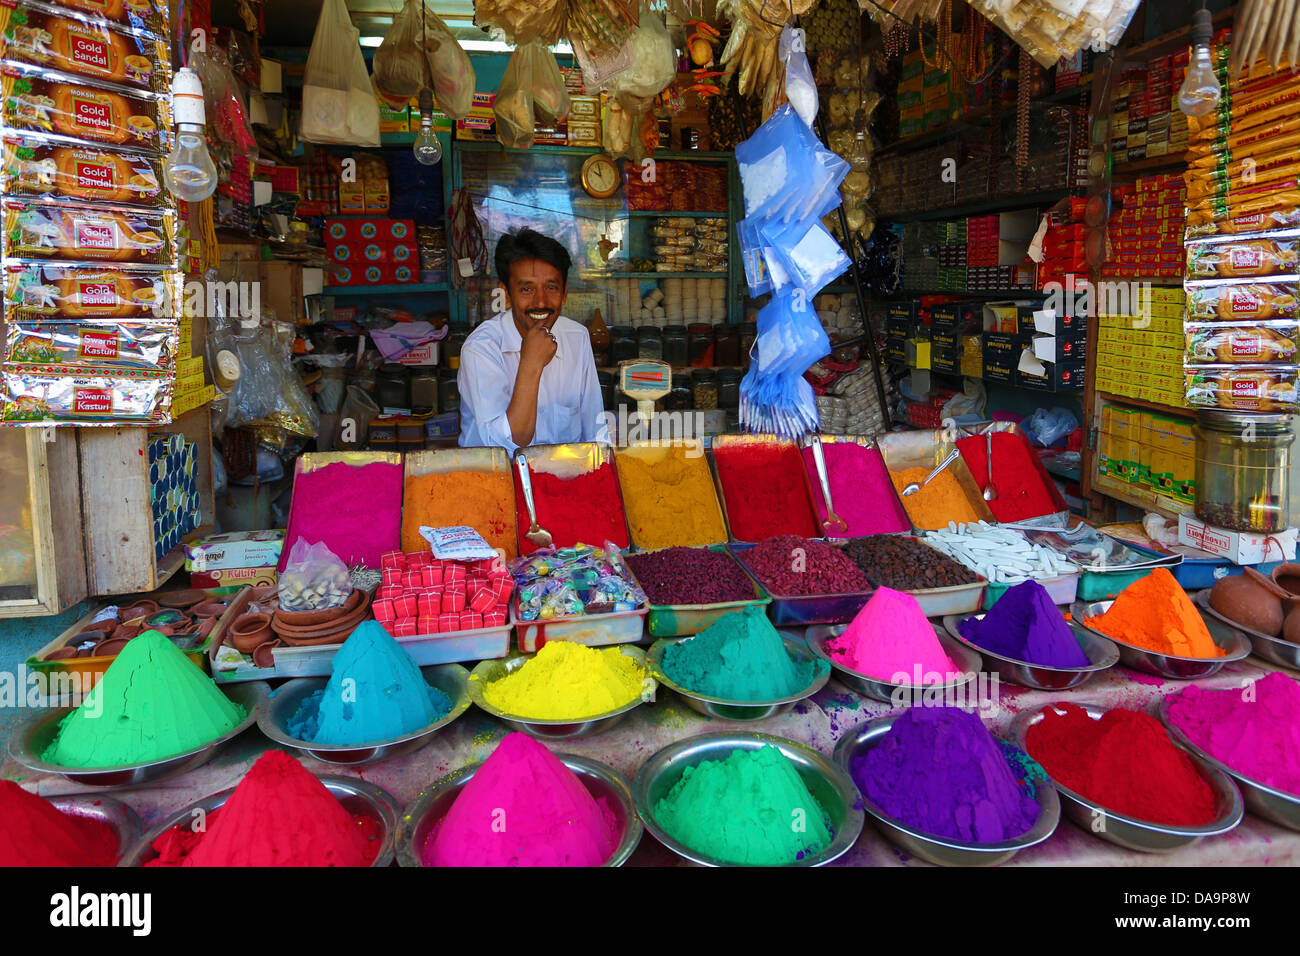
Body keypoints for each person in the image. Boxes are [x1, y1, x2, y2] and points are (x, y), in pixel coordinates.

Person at [458, 228, 611, 453]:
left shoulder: (577, 337)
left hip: (562, 479)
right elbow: (510, 442)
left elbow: (595, 429)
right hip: (499, 479)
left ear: (565, 292)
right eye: (527, 289)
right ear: (507, 294)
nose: (541, 301)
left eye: (551, 287)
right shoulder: (481, 349)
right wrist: (531, 364)